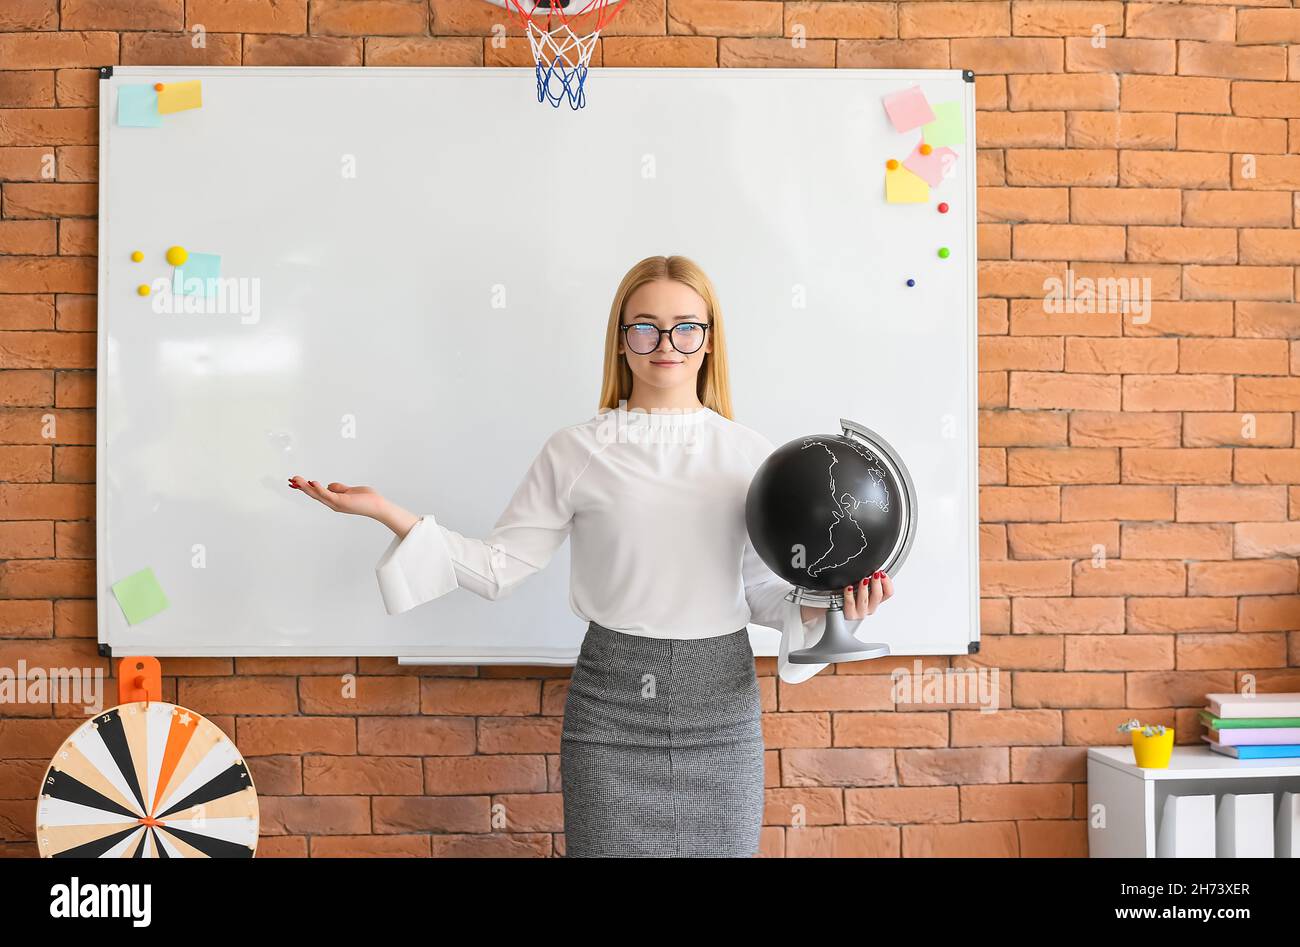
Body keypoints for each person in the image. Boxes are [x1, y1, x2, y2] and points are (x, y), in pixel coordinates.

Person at [289, 254, 895, 857]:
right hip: (612, 708)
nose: (666, 344)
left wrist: (831, 611)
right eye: (645, 326)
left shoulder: (751, 455)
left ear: (709, 342)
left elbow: (765, 594)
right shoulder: (576, 450)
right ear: (621, 339)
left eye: (686, 327)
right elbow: (498, 569)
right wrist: (386, 512)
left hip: (722, 709)